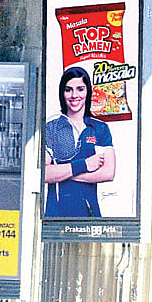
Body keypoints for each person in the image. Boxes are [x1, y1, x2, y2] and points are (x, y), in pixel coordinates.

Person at [44, 66, 116, 217]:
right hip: (56, 215)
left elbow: (108, 173)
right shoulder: (52, 127)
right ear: (62, 93)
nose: (74, 95)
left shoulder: (100, 128)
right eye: (68, 89)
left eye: (80, 89)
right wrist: (84, 165)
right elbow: (44, 174)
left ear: (87, 91)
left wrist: (65, 173)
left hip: (89, 215)